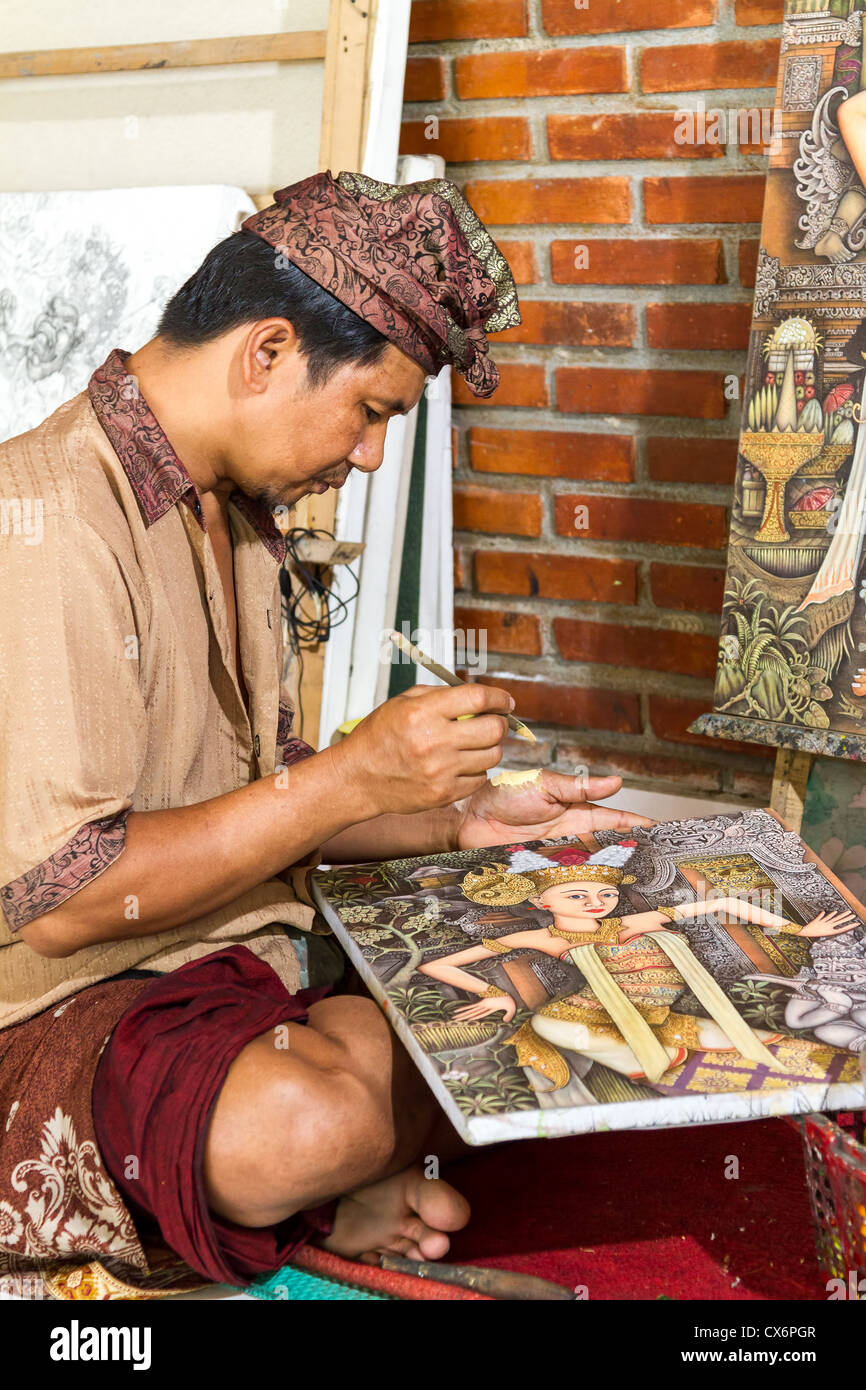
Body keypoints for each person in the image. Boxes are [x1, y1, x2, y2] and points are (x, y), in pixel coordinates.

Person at [0, 170, 650, 1291]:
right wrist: (355, 775)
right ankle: (312, 1182)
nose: (367, 457)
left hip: (228, 970)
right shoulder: (50, 519)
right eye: (370, 411)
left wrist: (458, 820)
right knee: (301, 1123)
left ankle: (321, 1189)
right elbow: (65, 905)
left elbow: (268, 803)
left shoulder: (237, 514)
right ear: (264, 352)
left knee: (531, 1009)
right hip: (68, 1008)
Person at [421, 843, 859, 1090]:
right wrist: (493, 995)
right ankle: (656, 1067)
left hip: (656, 1017)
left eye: (604, 895)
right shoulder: (541, 938)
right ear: (541, 901)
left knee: (772, 1050)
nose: (596, 903)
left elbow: (724, 901)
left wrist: (798, 932)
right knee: (557, 1029)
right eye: (578, 896)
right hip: (586, 1017)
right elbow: (441, 965)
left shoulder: (638, 920)